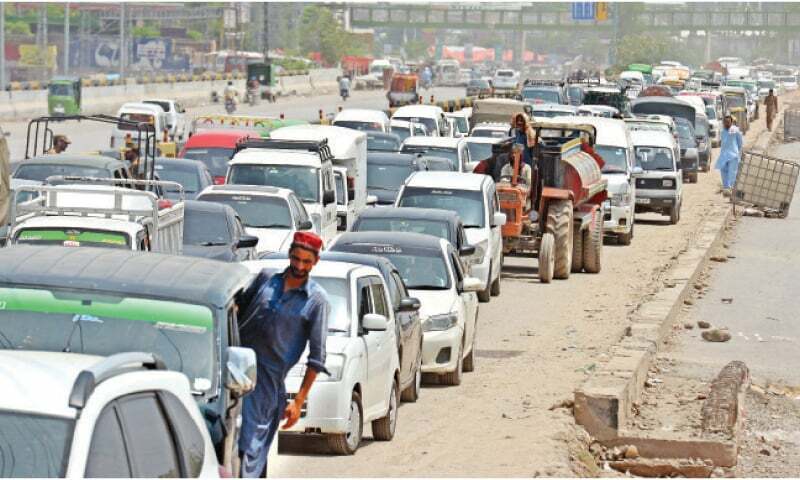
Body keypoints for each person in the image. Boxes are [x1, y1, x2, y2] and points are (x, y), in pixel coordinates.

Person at [237, 231, 330, 478]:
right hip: (232, 366)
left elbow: (317, 359)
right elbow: (237, 312)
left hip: (266, 384)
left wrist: (298, 401)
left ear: (315, 262)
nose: (299, 266)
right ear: (289, 255)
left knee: (249, 447)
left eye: (306, 261)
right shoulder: (266, 279)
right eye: (296, 259)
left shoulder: (317, 301)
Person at [715, 115, 744, 197]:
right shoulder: (722, 131)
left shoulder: (735, 130)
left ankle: (732, 190)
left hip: (733, 155)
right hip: (724, 155)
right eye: (725, 122)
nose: (726, 123)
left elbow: (740, 143)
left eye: (728, 122)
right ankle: (726, 189)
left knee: (732, 173)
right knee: (723, 172)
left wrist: (738, 152)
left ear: (731, 122)